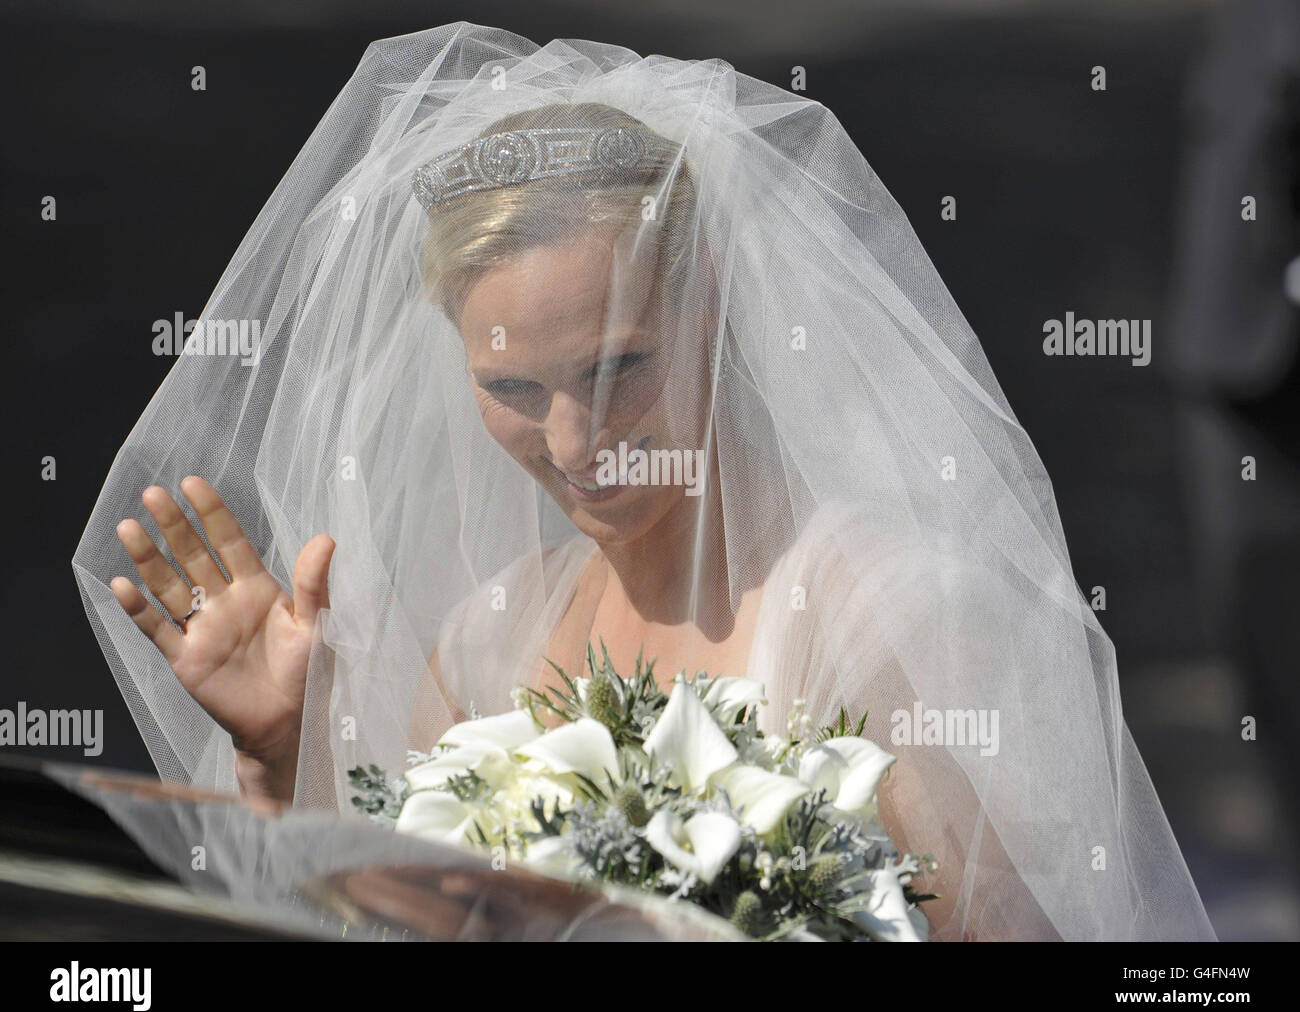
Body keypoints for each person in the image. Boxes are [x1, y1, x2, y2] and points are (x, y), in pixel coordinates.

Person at [75, 22, 1214, 941]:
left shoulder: (897, 611)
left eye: (617, 366)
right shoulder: (492, 630)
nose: (577, 442)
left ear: (709, 301)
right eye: (513, 388)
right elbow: (404, 928)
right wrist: (286, 763)